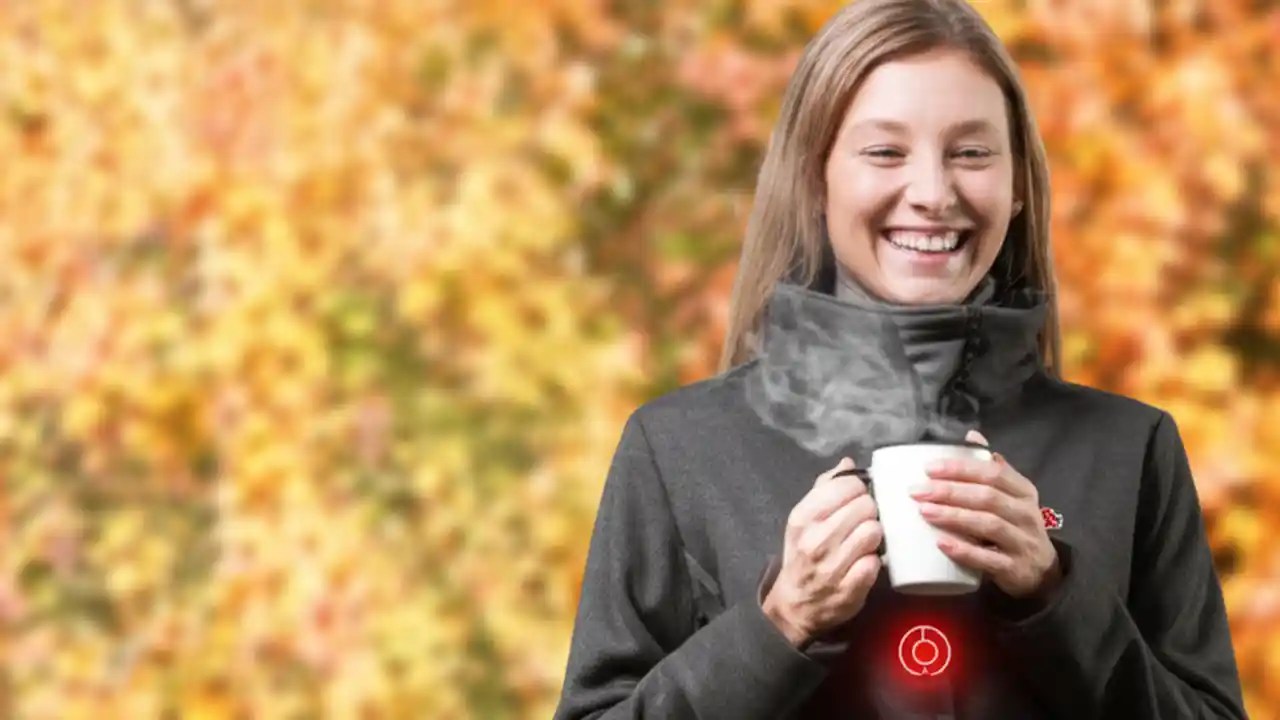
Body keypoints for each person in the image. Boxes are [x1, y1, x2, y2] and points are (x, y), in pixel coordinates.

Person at [552, 0, 1248, 717]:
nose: (933, 194)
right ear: (815, 179)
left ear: (1016, 189)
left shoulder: (1130, 450)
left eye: (971, 153)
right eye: (885, 152)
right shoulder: (680, 451)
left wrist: (1058, 601)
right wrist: (777, 626)